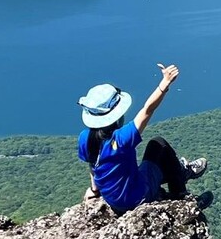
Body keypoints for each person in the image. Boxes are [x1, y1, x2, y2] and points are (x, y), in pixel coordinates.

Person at [78, 63, 208, 213]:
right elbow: (148, 110)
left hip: (113, 200)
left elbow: (92, 166)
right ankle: (182, 197)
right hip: (137, 198)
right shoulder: (122, 139)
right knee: (158, 144)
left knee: (154, 159)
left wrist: (94, 190)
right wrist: (164, 83)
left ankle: (179, 172)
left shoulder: (85, 138)